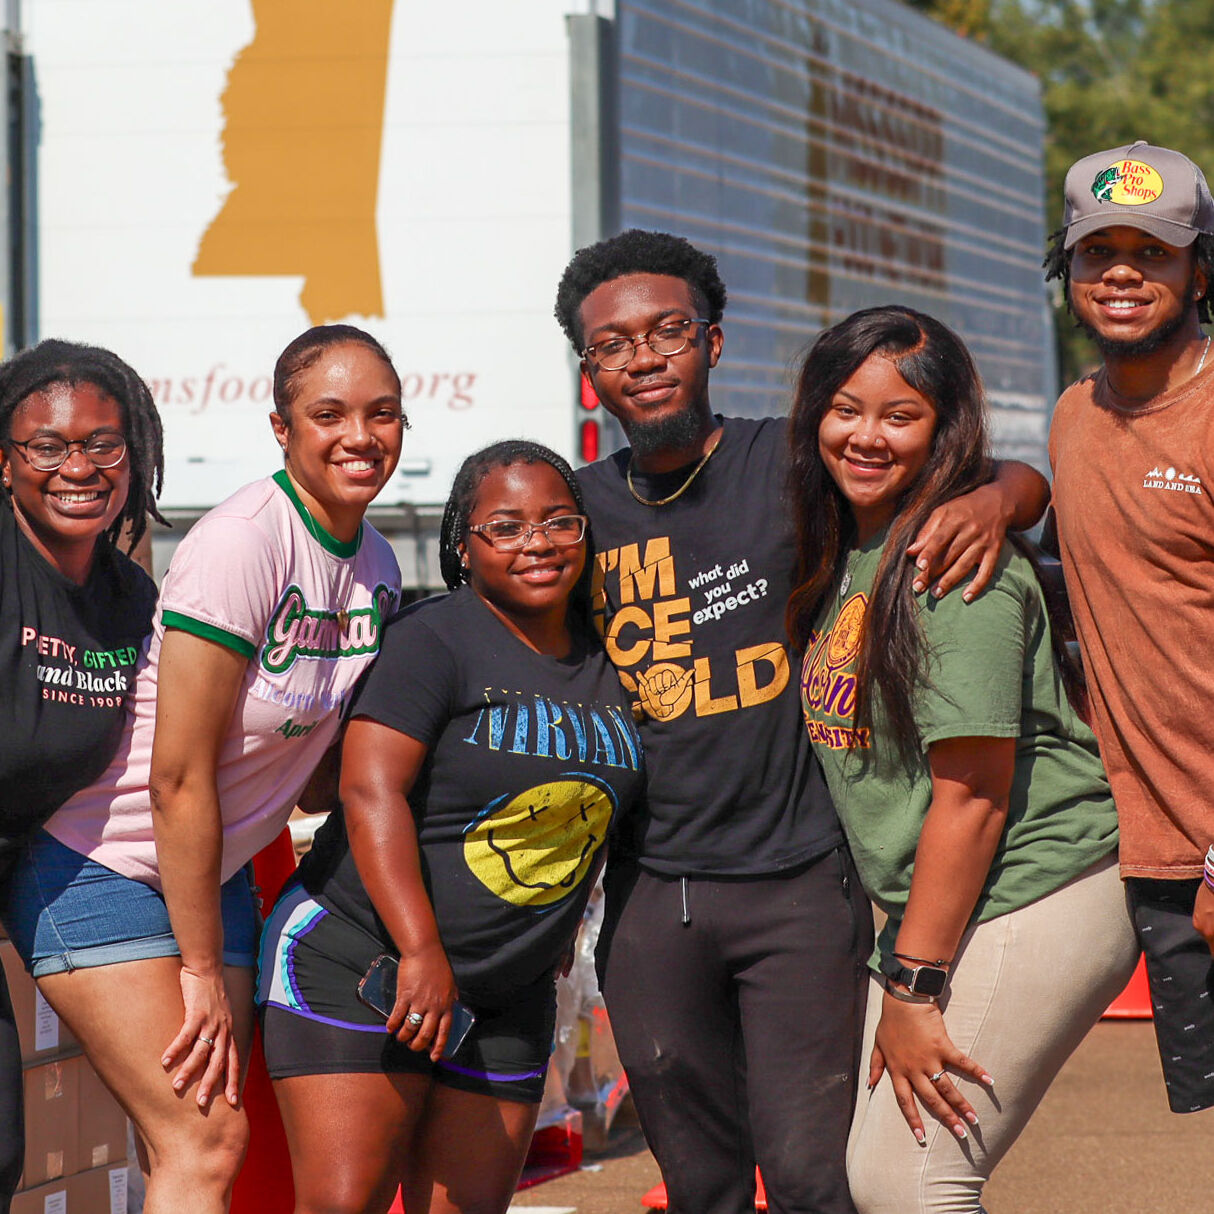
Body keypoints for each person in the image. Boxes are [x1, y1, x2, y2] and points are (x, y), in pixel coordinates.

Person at [554, 229, 1050, 1214]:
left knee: (815, 1179)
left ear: (712, 340)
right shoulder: (573, 512)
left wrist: (999, 500)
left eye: (667, 331)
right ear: (587, 372)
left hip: (800, 889)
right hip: (649, 899)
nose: (642, 357)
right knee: (700, 1185)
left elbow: (999, 473)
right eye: (611, 344)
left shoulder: (789, 463)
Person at [1, 324, 405, 1214]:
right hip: (101, 866)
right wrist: (197, 968)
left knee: (187, 1146)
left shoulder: (376, 566)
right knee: (207, 1137)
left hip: (209, 873)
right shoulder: (242, 545)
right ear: (281, 428)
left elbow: (307, 764)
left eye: (382, 414)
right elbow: (177, 778)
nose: (360, 436)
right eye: (329, 414)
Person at [788, 304, 1139, 1213]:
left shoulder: (951, 567)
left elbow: (973, 796)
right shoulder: (849, 544)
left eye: (900, 416)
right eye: (846, 409)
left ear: (946, 429)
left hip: (1040, 884)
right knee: (876, 1174)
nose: (866, 436)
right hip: (953, 903)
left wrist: (913, 987)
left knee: (910, 1183)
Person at [259, 440, 643, 1214]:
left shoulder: (613, 661)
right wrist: (421, 950)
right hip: (361, 958)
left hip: (510, 989)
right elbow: (368, 790)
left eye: (558, 522)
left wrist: (559, 920)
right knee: (345, 1205)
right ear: (463, 547)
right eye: (506, 527)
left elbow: (595, 808)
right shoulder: (433, 638)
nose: (537, 542)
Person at [1043, 140, 1214, 1114]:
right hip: (1157, 856)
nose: (1119, 273)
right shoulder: (1073, 415)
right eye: (1096, 251)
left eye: (1152, 252)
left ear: (1200, 272)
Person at [0, 339, 164, 1213]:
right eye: (48, 446)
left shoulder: (128, 599)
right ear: (5, 462)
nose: (79, 468)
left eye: (104, 445)